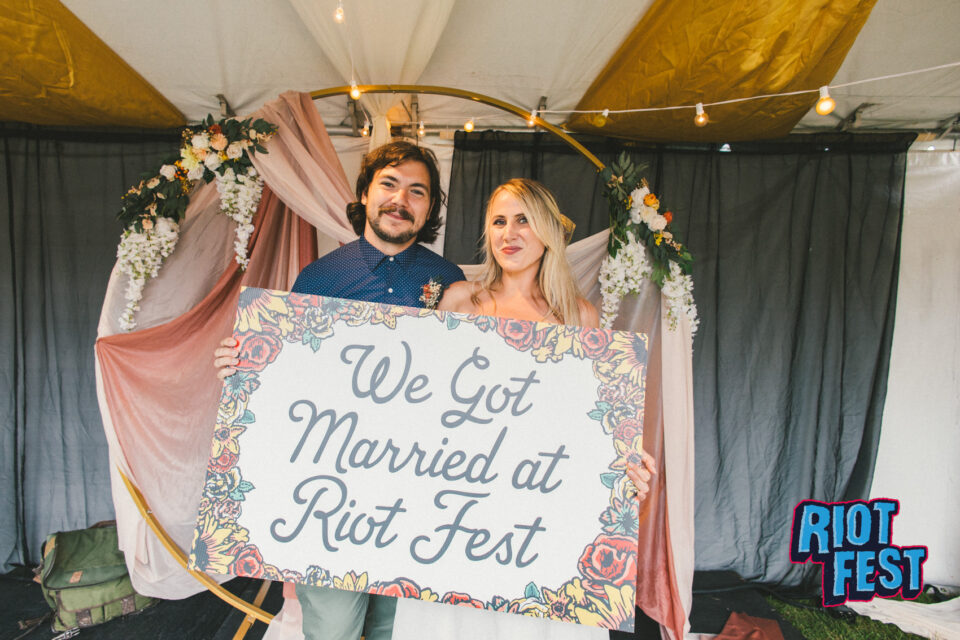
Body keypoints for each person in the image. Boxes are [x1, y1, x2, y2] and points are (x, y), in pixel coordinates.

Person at [214, 140, 465, 640]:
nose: (401, 199)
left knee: (399, 628)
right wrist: (244, 368)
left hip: (417, 492)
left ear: (431, 207)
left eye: (418, 191)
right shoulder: (319, 278)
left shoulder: (450, 281)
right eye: (389, 184)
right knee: (332, 628)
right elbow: (287, 384)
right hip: (333, 493)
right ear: (366, 193)